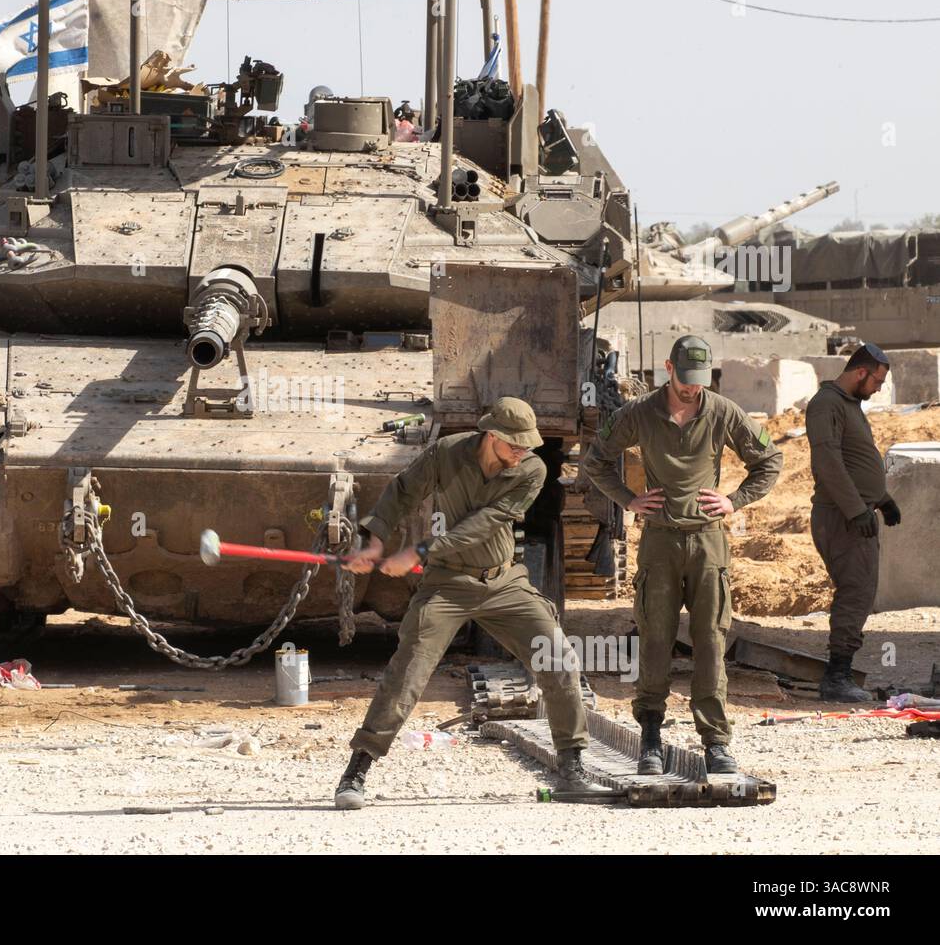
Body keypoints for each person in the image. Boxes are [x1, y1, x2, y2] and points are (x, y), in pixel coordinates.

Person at [332, 397, 594, 810]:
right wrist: (376, 536)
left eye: (527, 446)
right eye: (514, 446)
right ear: (491, 436)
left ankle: (572, 766)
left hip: (502, 580)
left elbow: (486, 522)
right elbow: (402, 491)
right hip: (447, 584)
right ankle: (357, 769)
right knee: (408, 670)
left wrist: (419, 550)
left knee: (557, 658)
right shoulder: (447, 454)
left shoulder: (532, 469)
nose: (521, 453)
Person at [581, 336, 782, 776]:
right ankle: (651, 734)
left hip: (709, 541)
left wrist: (734, 500)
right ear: (669, 368)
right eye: (685, 380)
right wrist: (628, 500)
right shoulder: (640, 412)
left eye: (700, 381)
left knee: (711, 640)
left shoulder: (723, 411)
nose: (692, 389)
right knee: (656, 637)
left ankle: (715, 741)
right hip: (660, 540)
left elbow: (768, 460)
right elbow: (596, 460)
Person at [805, 343, 897, 702]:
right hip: (841, 517)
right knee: (856, 591)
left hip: (853, 512)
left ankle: (840, 673)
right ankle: (836, 677)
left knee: (860, 590)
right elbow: (828, 462)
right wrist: (856, 509)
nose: (878, 388)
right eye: (877, 381)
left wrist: (882, 499)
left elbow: (856, 458)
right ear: (861, 373)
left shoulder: (848, 405)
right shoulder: (826, 404)